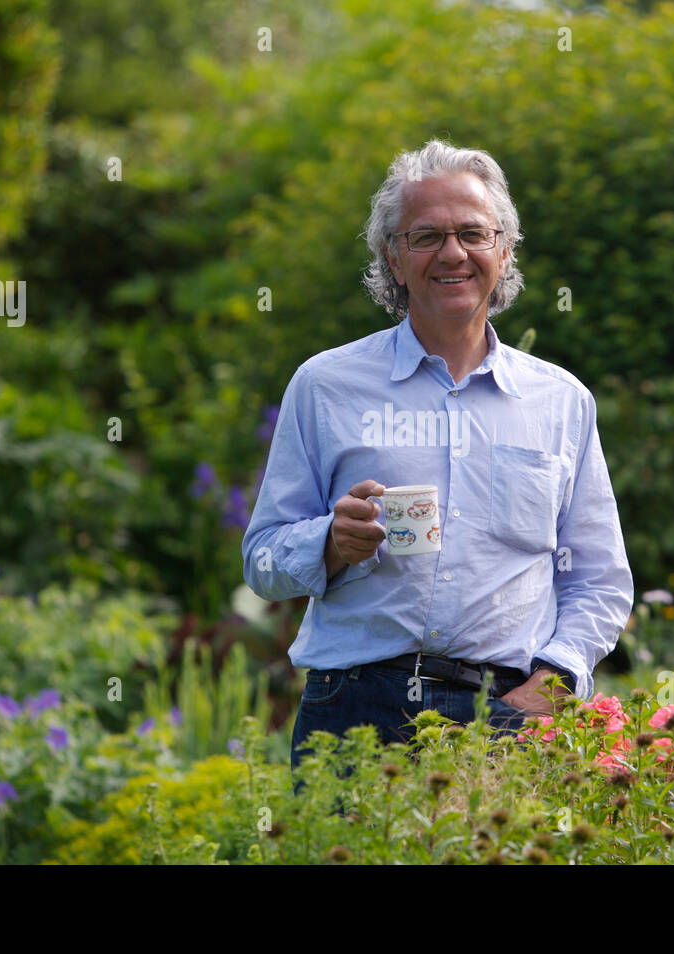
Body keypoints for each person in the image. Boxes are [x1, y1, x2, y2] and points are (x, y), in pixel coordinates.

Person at [242, 139, 634, 768]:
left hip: (509, 714)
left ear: (503, 252)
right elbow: (263, 561)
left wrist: (554, 683)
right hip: (354, 713)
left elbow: (599, 579)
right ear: (394, 260)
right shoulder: (325, 386)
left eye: (473, 234)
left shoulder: (560, 401)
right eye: (425, 237)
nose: (453, 253)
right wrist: (331, 545)